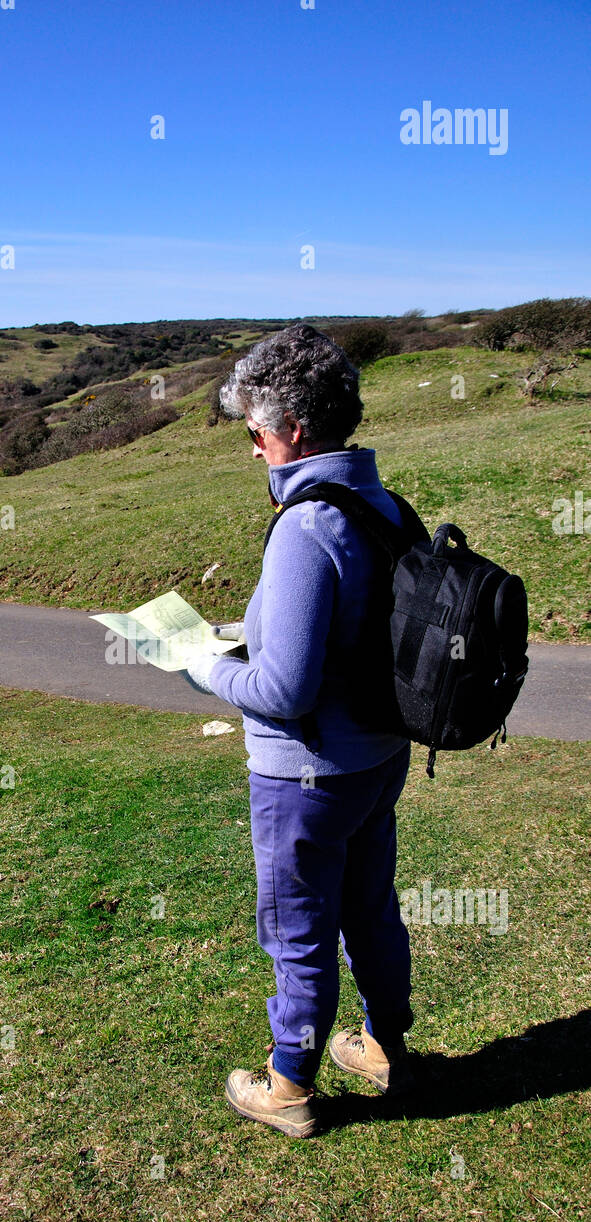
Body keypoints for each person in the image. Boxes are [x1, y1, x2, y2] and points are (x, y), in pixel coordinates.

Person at [182, 323, 415, 1139]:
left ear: (292, 428)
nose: (251, 449)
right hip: (380, 758)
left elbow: (282, 689)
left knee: (297, 929)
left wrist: (192, 663)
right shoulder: (382, 502)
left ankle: (286, 1088)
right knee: (370, 911)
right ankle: (384, 1046)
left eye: (253, 430)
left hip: (305, 775)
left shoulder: (305, 526)